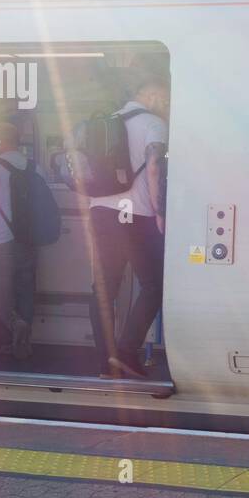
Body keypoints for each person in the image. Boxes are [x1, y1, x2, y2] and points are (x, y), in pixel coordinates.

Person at [88, 79, 169, 379]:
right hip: (135, 212)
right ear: (156, 95)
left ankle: (106, 363)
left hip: (100, 209)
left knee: (104, 288)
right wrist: (159, 211)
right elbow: (153, 165)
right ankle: (125, 353)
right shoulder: (154, 123)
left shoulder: (109, 121)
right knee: (153, 285)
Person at [0, 122, 36, 361]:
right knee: (25, 290)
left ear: (0, 141)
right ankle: (23, 342)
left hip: (0, 239)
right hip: (28, 240)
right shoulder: (33, 166)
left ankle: (10, 333)